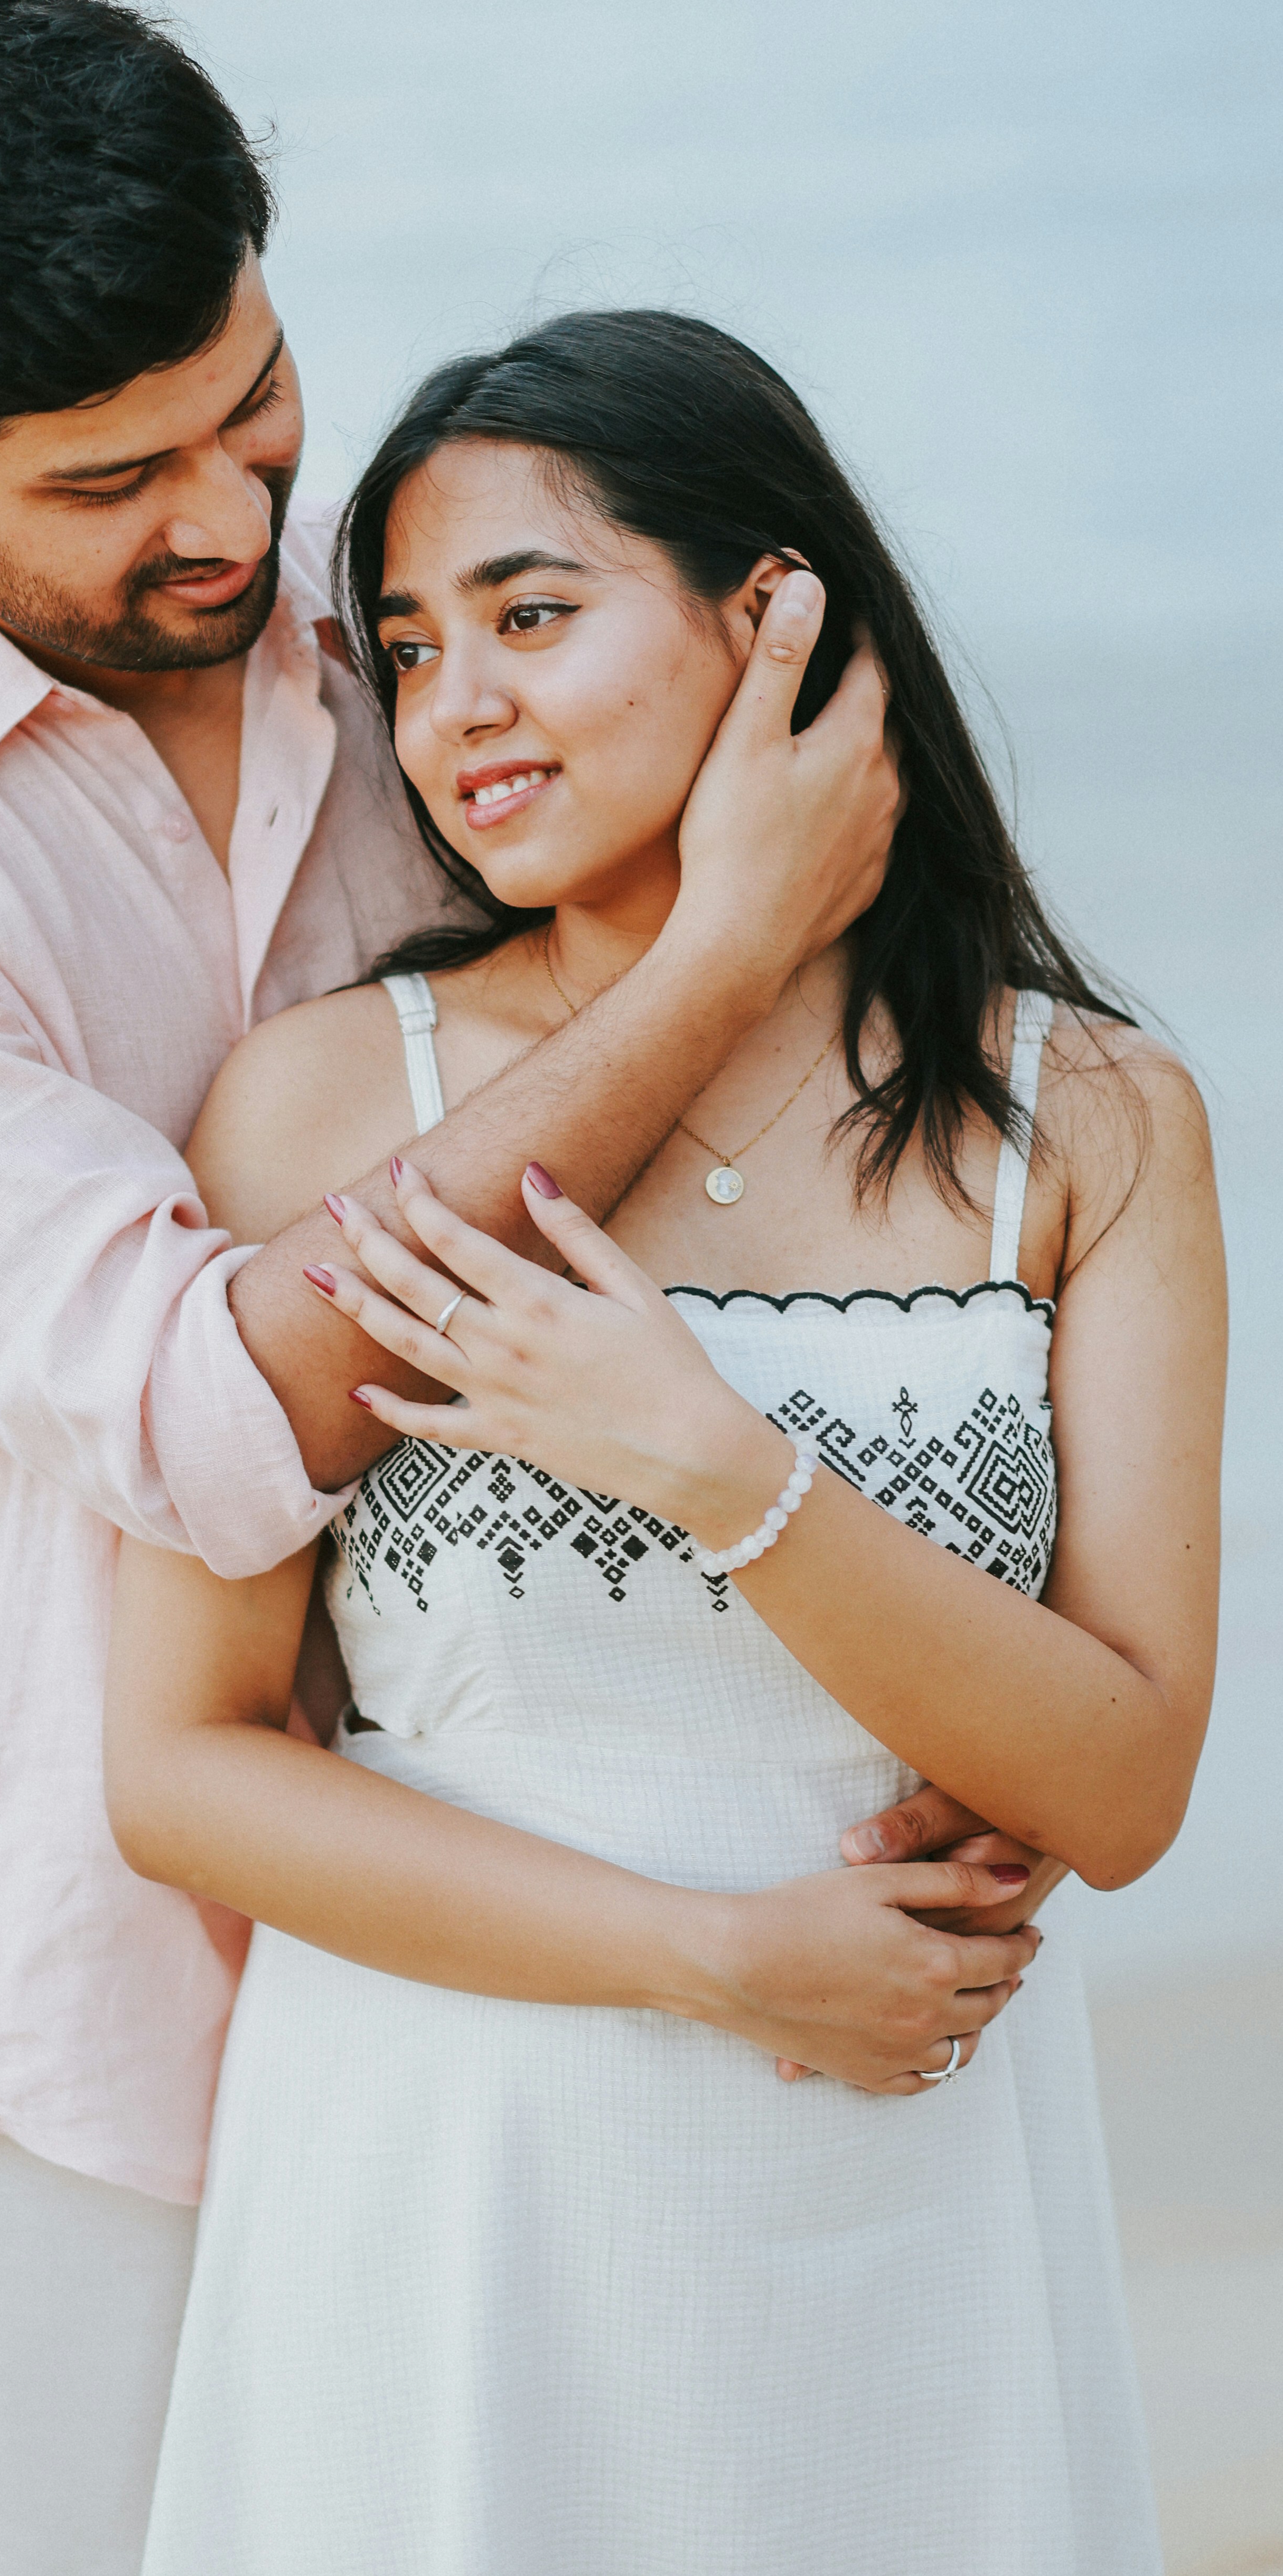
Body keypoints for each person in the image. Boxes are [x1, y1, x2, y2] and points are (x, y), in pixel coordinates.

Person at [0, 0, 966, 2576]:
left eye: (253, 405)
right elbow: (198, 1414)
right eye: (117, 480)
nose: (231, 520)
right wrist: (708, 959)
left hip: (587, 1938)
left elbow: (795, 1199)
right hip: (100, 2010)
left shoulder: (418, 675)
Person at [106, 311, 1225, 2573]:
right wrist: (707, 1954)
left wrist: (725, 1473)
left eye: (530, 613)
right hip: (453, 2177)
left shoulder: (1084, 1121)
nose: (457, 711)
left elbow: (1118, 1784)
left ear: (773, 611)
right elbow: (182, 1769)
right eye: (407, 652)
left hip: (907, 2173)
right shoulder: (328, 1102)